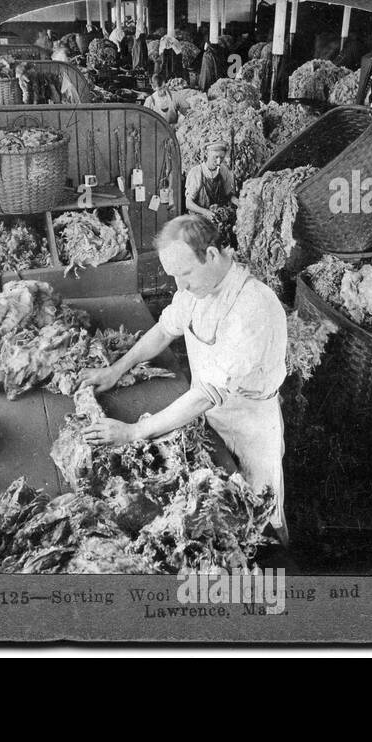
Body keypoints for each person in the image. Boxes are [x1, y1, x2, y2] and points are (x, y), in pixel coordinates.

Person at [78, 215, 289, 543]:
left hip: (249, 425)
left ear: (212, 255)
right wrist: (116, 369)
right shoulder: (196, 289)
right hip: (205, 411)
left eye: (185, 273)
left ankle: (286, 561)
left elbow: (207, 393)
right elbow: (165, 330)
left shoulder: (252, 308)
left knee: (258, 512)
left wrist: (134, 432)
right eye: (174, 276)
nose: (180, 286)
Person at [183, 142, 238, 218]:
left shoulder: (223, 170)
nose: (219, 161)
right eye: (216, 157)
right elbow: (188, 203)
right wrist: (205, 212)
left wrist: (239, 203)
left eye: (222, 158)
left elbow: (228, 194)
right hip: (199, 219)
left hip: (217, 216)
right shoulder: (197, 172)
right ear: (207, 154)